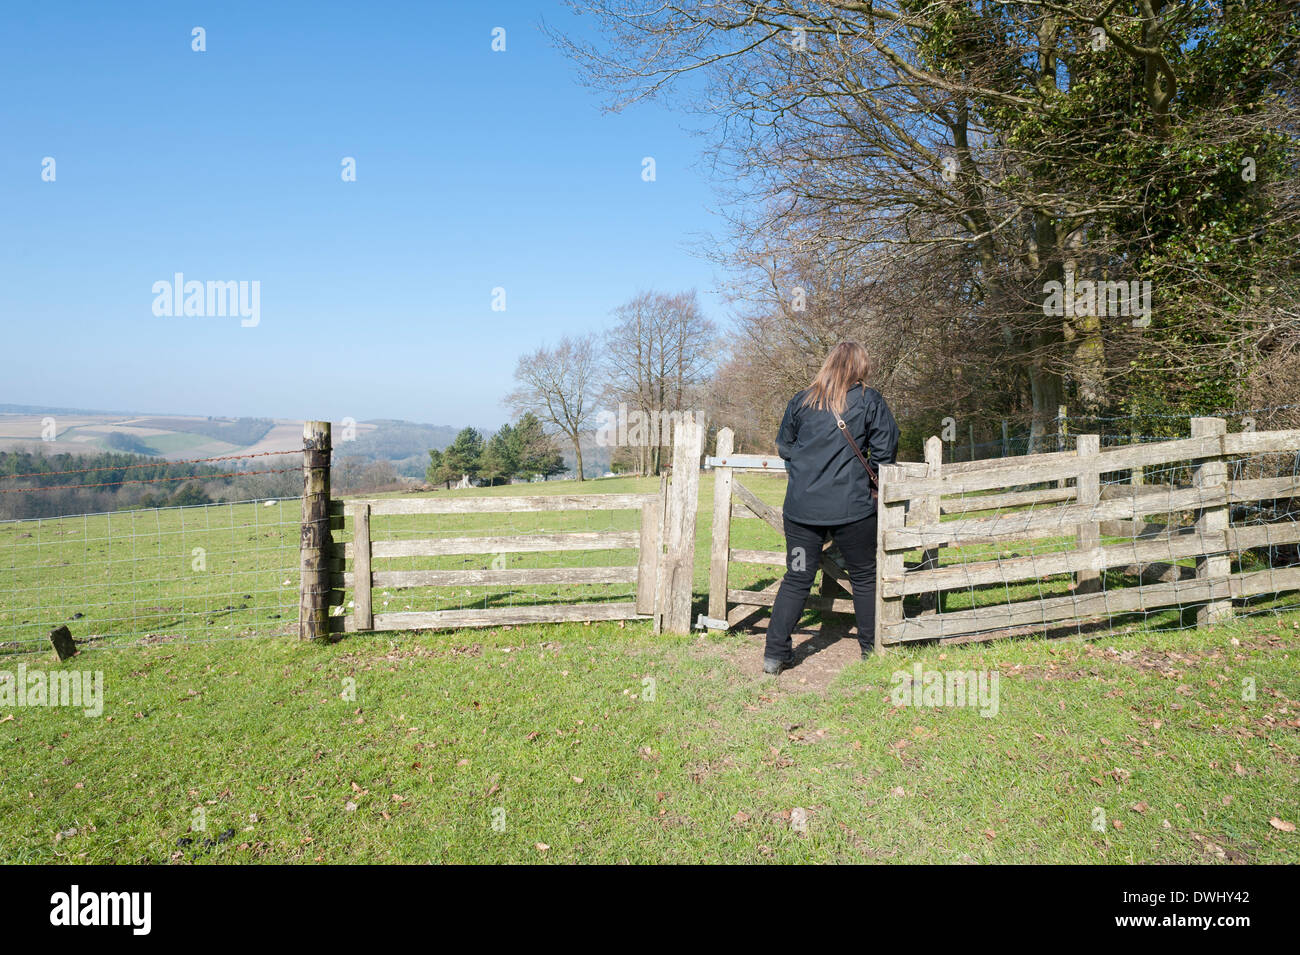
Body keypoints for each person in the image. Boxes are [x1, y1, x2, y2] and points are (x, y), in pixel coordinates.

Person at [765, 342, 899, 674]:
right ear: (860, 367)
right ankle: (870, 650)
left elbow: (784, 447)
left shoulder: (802, 400)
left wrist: (810, 465)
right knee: (865, 576)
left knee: (797, 578)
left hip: (801, 510)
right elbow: (885, 454)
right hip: (852, 509)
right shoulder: (869, 400)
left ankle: (774, 654)